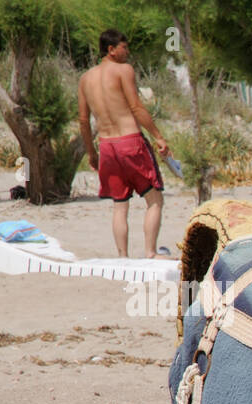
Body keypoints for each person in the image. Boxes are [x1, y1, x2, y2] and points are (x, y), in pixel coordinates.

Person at [77, 29, 172, 258]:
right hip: (130, 141)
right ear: (111, 49)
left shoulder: (85, 79)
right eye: (124, 47)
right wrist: (158, 136)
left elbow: (82, 120)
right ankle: (150, 252)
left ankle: (123, 257)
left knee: (120, 205)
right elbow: (136, 108)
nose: (127, 52)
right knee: (154, 199)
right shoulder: (123, 70)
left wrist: (91, 153)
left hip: (107, 145)